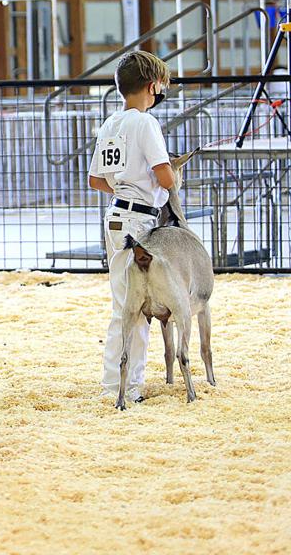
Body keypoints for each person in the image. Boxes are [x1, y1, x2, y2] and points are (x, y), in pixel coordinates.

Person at [88, 51, 174, 403]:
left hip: (116, 216)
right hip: (138, 222)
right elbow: (165, 174)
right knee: (136, 306)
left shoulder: (112, 123)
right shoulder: (145, 123)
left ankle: (119, 382)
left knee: (125, 303)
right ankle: (124, 387)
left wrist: (124, 188)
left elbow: (95, 179)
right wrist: (164, 184)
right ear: (153, 86)